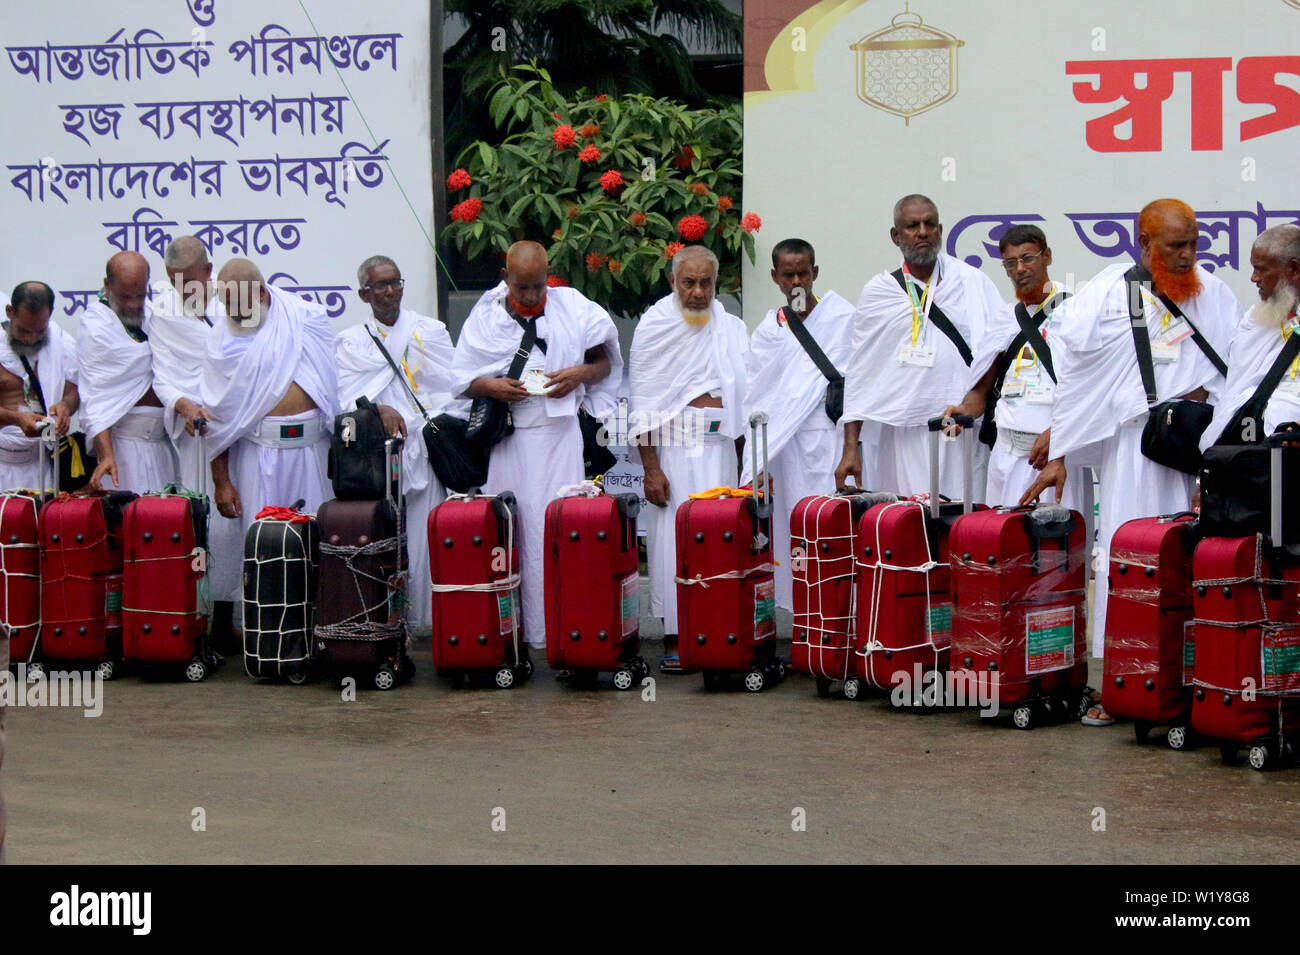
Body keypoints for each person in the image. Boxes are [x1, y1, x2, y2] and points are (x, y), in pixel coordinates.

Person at [1022, 199, 1238, 725]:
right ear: (1144, 244)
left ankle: (1194, 687)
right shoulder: (1108, 292)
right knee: (1129, 565)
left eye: (1192, 243)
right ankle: (1120, 688)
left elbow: (1240, 369)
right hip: (1135, 452)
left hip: (1196, 448)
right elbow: (1076, 370)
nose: (1187, 256)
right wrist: (1063, 448)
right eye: (1174, 246)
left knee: (1198, 567)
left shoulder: (1215, 292)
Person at [450, 241, 621, 658]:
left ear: (550, 277)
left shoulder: (574, 307)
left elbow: (605, 364)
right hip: (508, 441)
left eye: (538, 287)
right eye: (522, 287)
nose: (530, 297)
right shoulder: (486, 315)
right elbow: (462, 378)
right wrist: (491, 386)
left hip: (560, 438)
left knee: (559, 533)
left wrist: (580, 374)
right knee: (511, 534)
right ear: (506, 276)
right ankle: (514, 639)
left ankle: (566, 636)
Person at [628, 245, 749, 670]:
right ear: (673, 281)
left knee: (723, 543)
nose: (698, 292)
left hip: (722, 456)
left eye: (706, 283)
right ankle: (676, 638)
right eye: (689, 282)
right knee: (671, 547)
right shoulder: (655, 325)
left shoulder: (731, 327)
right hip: (674, 456)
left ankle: (721, 634)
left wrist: (747, 469)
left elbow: (742, 402)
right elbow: (643, 401)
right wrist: (651, 468)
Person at [836, 195, 1003, 499]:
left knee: (960, 527)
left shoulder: (971, 282)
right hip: (899, 436)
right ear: (895, 236)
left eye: (930, 224)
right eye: (913, 226)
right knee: (905, 528)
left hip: (959, 431)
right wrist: (851, 450)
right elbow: (860, 374)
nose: (923, 232)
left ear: (940, 230)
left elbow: (995, 349)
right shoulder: (879, 292)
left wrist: (975, 401)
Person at [336, 255, 461, 629]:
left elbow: (451, 392)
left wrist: (417, 423)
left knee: (424, 539)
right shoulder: (352, 342)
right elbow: (343, 401)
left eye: (395, 282)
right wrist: (378, 410)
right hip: (375, 462)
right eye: (380, 285)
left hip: (423, 452)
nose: (390, 291)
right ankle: (385, 625)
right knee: (380, 539)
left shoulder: (430, 331)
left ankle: (428, 623)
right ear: (364, 293)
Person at [944, 225, 1091, 515]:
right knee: (1004, 546)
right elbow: (981, 393)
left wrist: (1061, 434)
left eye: (1028, 258)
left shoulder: (1078, 311)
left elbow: (1092, 389)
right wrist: (959, 413)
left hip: (1055, 457)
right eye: (1011, 263)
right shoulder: (1005, 318)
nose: (1020, 269)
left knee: (1055, 551)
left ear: (1047, 256)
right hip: (1006, 455)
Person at [743, 238, 855, 612]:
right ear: (775, 277)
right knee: (793, 534)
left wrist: (852, 449)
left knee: (833, 529)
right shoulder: (767, 331)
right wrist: (757, 465)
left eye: (802, 273)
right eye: (787, 274)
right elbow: (756, 401)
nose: (796, 282)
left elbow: (859, 384)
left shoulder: (843, 319)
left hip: (832, 444)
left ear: (815, 274)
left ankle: (839, 618)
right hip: (785, 451)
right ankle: (804, 621)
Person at [201, 258, 338, 532]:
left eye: (240, 305)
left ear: (261, 292)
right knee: (261, 546)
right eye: (227, 305)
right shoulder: (220, 339)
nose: (233, 314)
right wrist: (222, 483)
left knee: (315, 541)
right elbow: (217, 419)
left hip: (312, 453)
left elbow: (333, 386)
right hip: (258, 456)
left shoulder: (304, 317)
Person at [150, 237, 242, 642]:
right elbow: (163, 375)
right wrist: (185, 406)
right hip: (196, 437)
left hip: (240, 428)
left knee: (240, 522)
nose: (182, 290)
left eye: (190, 281)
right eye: (175, 282)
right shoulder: (161, 312)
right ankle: (204, 622)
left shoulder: (235, 304)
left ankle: (239, 619)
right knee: (203, 527)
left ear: (209, 271)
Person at [80, 251, 178, 493]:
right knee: (129, 523)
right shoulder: (96, 325)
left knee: (169, 522)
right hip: (122, 453)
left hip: (163, 446)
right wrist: (106, 456)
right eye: (125, 297)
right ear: (107, 285)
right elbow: (97, 399)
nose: (134, 304)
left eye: (139, 295)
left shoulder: (155, 315)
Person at [1199, 225, 1300, 451]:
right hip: (1248, 457)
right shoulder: (1256, 320)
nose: (1254, 278)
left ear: (1293, 269)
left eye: (1262, 269)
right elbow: (1234, 393)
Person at [0, 282, 79, 491]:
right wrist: (15, 418)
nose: (30, 338)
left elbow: (73, 392)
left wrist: (65, 406)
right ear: (10, 312)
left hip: (44, 465)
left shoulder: (62, 343)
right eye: (24, 330)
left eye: (38, 331)